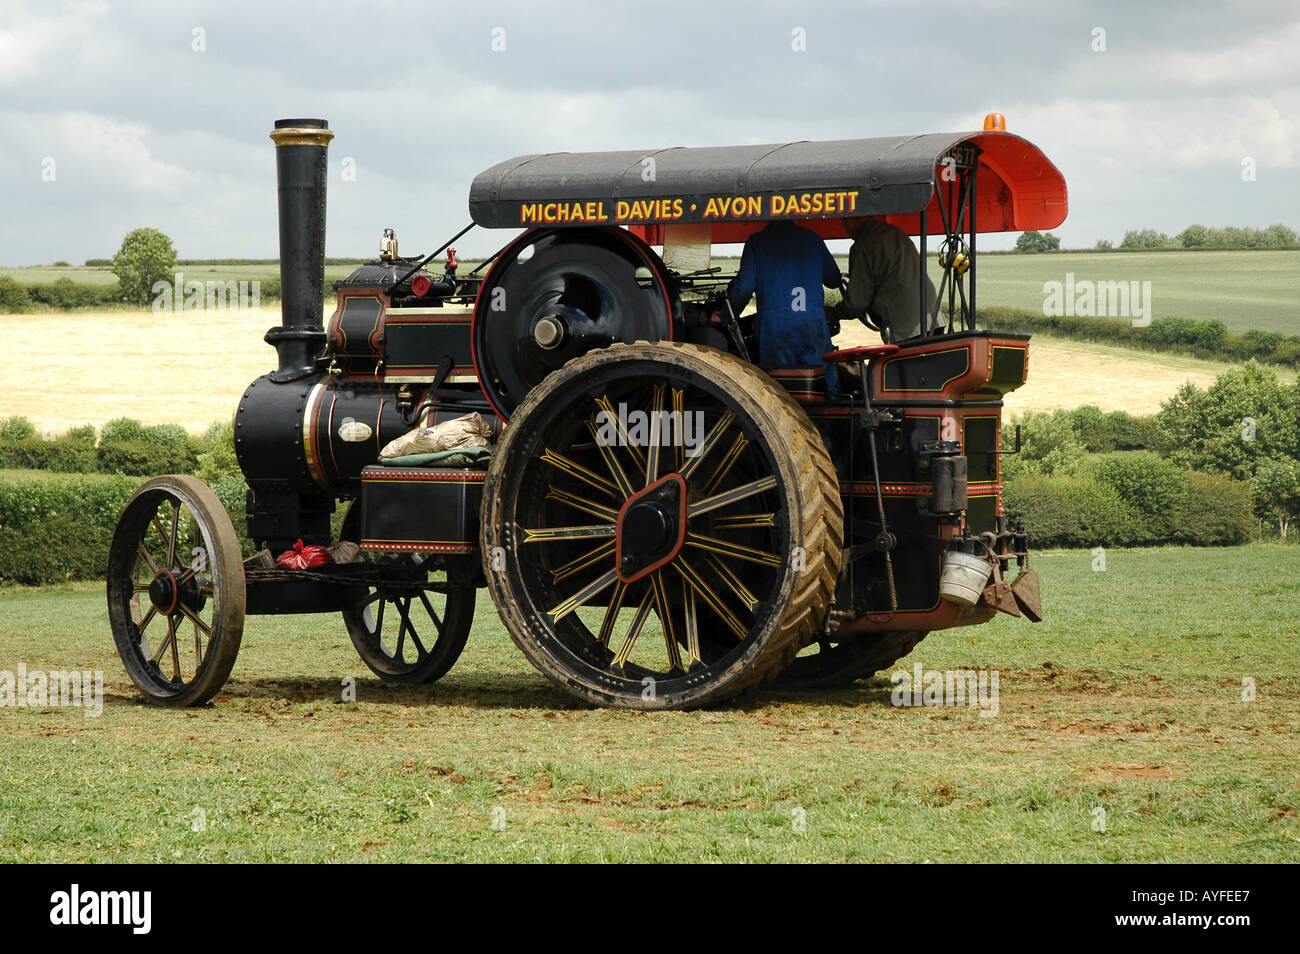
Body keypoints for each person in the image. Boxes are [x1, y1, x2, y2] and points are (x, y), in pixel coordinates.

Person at [727, 220, 843, 388]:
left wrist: (728, 314)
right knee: (823, 379)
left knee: (780, 386)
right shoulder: (813, 238)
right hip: (812, 322)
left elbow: (744, 287)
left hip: (775, 326)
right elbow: (833, 280)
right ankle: (831, 407)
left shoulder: (757, 241)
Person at [833, 215, 937, 341]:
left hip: (905, 328)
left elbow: (856, 303)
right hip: (933, 318)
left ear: (849, 221)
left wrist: (834, 313)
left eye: (842, 223)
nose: (844, 228)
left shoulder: (863, 244)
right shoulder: (895, 232)